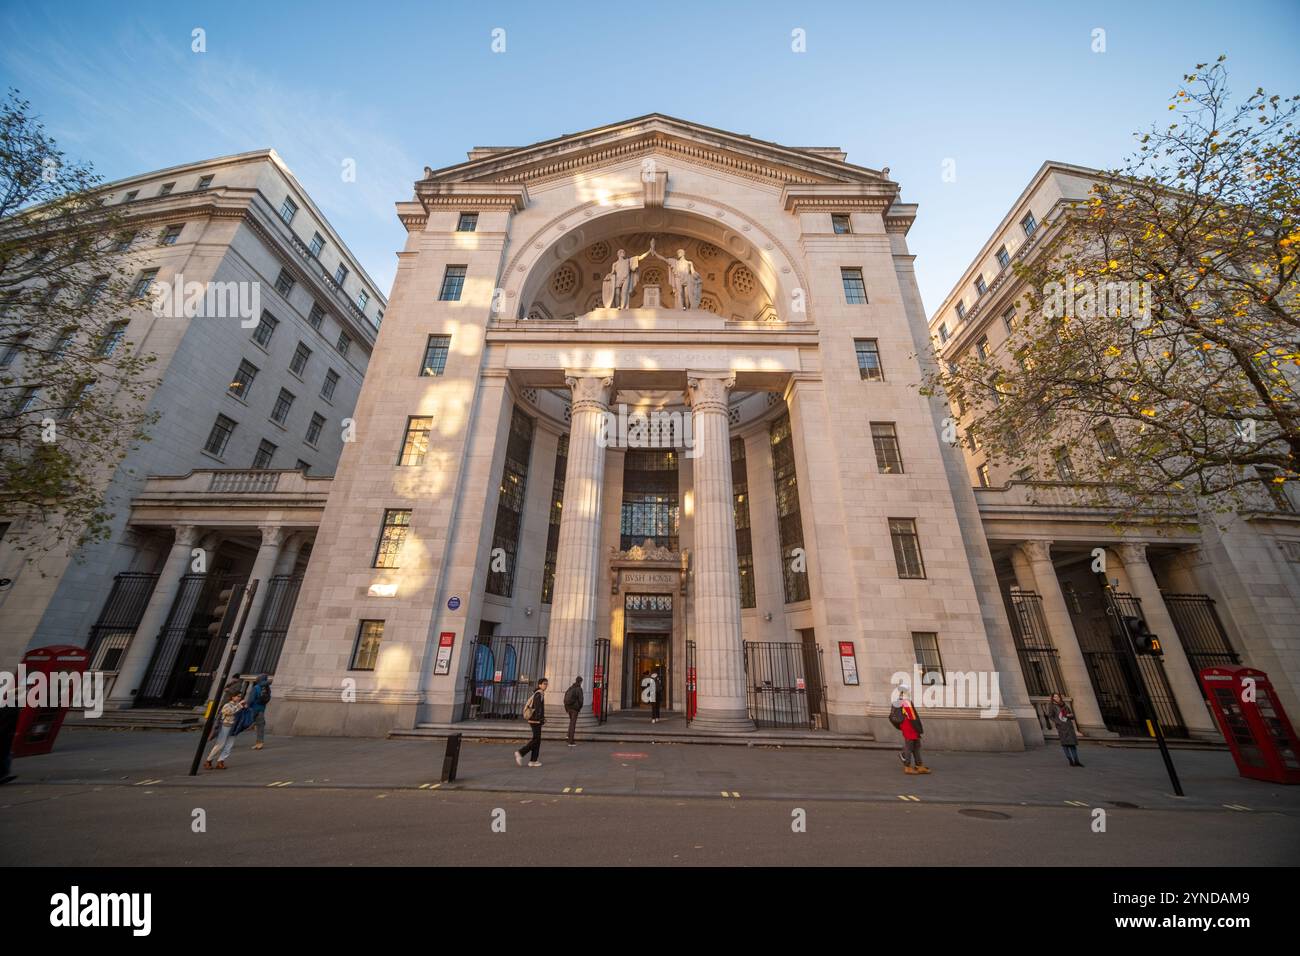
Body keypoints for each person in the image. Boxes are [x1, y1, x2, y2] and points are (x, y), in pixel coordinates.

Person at [889, 683, 929, 775]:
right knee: (910, 746)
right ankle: (907, 766)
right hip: (910, 726)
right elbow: (913, 717)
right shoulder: (906, 702)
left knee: (916, 745)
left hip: (907, 726)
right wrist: (919, 729)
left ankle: (919, 765)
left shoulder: (900, 701)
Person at [203, 690, 245, 770]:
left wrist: (243, 707)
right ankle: (208, 760)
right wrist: (239, 705)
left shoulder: (239, 705)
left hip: (234, 727)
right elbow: (229, 712)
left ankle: (221, 761)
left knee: (229, 745)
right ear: (233, 697)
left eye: (240, 696)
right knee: (220, 744)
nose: (239, 698)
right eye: (238, 696)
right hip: (226, 726)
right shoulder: (227, 705)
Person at [515, 678, 548, 767]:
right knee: (536, 739)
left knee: (537, 740)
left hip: (536, 720)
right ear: (539, 685)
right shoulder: (538, 694)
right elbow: (538, 708)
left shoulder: (538, 693)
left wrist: (542, 718)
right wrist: (540, 718)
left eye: (546, 684)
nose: (546, 686)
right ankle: (520, 753)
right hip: (535, 720)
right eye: (544, 684)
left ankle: (533, 760)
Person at [1050, 692, 1083, 767]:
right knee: (1065, 745)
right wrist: (1058, 722)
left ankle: (1077, 761)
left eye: (1058, 697)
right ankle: (1071, 761)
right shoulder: (1052, 706)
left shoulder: (1064, 705)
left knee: (1073, 745)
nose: (1056, 698)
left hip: (1068, 725)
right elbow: (1051, 716)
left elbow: (1071, 714)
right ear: (1053, 698)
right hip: (1061, 727)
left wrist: (1070, 715)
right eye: (1055, 697)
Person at [246, 674, 272, 750]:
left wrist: (247, 705)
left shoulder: (256, 687)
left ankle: (229, 738)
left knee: (244, 723)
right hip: (261, 708)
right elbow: (268, 698)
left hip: (253, 708)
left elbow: (251, 699)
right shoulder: (267, 688)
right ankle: (259, 743)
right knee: (261, 726)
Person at [563, 676, 584, 747]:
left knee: (571, 722)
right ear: (581, 681)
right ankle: (571, 741)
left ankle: (568, 736)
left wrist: (567, 707)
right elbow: (581, 700)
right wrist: (579, 707)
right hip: (574, 709)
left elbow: (565, 697)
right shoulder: (579, 689)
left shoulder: (570, 688)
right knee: (573, 724)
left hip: (568, 708)